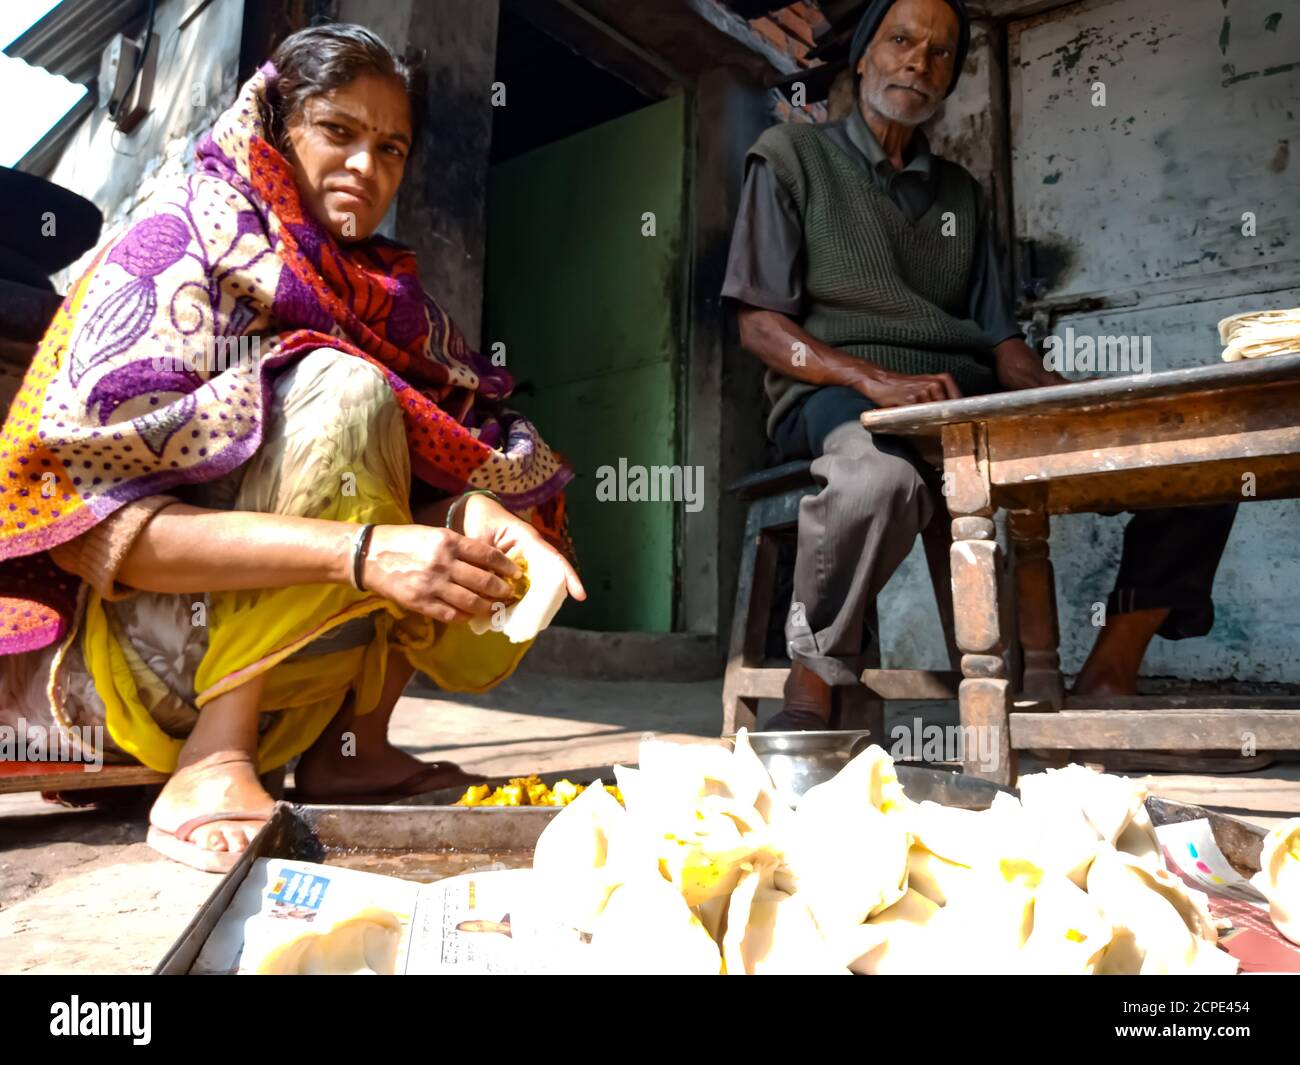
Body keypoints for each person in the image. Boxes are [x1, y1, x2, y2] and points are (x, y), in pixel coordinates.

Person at [0, 23, 585, 872]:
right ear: (277, 127)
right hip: (142, 675)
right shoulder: (176, 243)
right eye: (338, 132)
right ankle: (211, 760)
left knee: (471, 472)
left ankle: (353, 749)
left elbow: (401, 493)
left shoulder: (386, 294)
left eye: (391, 147)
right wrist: (362, 553)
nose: (367, 167)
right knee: (343, 391)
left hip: (302, 703)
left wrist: (469, 511)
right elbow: (97, 530)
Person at [722, 0, 1247, 770]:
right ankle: (813, 692)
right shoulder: (792, 158)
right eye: (901, 41)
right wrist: (873, 379)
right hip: (836, 390)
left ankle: (1110, 673)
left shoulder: (961, 195)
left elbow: (1001, 340)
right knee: (880, 483)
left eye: (940, 54)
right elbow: (760, 325)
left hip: (964, 403)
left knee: (1197, 450)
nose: (918, 64)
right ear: (863, 56)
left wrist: (1063, 397)